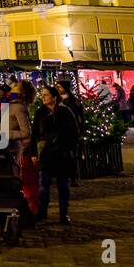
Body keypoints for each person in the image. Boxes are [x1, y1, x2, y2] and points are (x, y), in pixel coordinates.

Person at [32, 85, 78, 225]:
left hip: (61, 154)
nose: (43, 97)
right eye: (42, 94)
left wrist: (68, 147)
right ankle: (42, 213)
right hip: (46, 155)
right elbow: (34, 134)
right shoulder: (40, 113)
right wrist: (34, 153)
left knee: (63, 187)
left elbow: (74, 132)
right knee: (43, 187)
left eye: (46, 94)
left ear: (54, 97)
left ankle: (63, 215)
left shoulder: (65, 111)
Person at [5, 79, 39, 216]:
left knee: (23, 182)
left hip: (15, 149)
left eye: (17, 86)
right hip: (11, 147)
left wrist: (6, 133)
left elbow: (26, 132)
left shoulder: (19, 107)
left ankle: (29, 211)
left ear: (22, 92)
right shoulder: (13, 104)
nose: (13, 87)